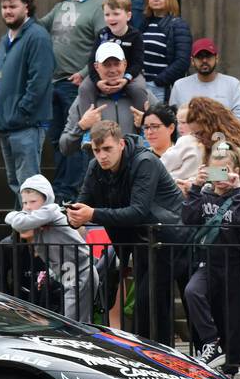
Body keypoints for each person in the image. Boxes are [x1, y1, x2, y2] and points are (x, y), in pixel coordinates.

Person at [65, 119, 184, 340]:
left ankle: (164, 363)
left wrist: (92, 214)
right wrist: (73, 215)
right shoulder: (96, 167)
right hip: (138, 242)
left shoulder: (144, 161)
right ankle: (153, 361)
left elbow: (138, 211)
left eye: (107, 149)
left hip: (168, 238)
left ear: (121, 144)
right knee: (146, 308)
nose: (102, 156)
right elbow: (83, 202)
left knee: (151, 306)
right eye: (96, 150)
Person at [182, 141, 240, 377]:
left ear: (235, 171)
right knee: (193, 292)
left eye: (225, 171)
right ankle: (211, 343)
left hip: (234, 265)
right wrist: (195, 187)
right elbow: (189, 218)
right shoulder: (204, 195)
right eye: (215, 172)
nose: (220, 178)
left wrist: (236, 190)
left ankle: (233, 365)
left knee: (232, 317)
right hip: (208, 262)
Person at [41, 0, 108, 199]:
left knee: (75, 137)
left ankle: (73, 191)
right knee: (57, 139)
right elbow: (38, 27)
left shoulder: (98, 7)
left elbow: (104, 43)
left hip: (76, 84)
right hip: (53, 83)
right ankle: (60, 189)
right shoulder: (61, 6)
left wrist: (83, 73)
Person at [0, 173, 96, 322]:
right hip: (68, 273)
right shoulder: (38, 218)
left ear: (46, 200)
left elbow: (19, 223)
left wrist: (12, 215)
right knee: (75, 321)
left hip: (81, 271)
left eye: (33, 201)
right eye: (24, 203)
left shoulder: (50, 210)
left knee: (75, 322)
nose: (28, 207)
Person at [0, 0, 53, 197]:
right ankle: (20, 231)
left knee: (30, 186)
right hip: (6, 125)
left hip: (27, 125)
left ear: (26, 7)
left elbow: (39, 81)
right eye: (4, 7)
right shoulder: (4, 40)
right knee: (16, 185)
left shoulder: (37, 36)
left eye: (13, 6)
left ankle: (33, 231)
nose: (7, 11)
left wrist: (22, 112)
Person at [59, 42, 149, 157]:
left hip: (136, 169)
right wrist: (81, 126)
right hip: (99, 171)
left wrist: (146, 125)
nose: (112, 70)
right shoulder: (84, 99)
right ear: (96, 67)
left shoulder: (143, 95)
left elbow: (169, 135)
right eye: (107, 65)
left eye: (117, 64)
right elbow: (65, 147)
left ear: (125, 64)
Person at [181, 96, 240, 199]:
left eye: (201, 133)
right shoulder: (214, 147)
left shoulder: (231, 150)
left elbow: (223, 187)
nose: (200, 139)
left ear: (212, 126)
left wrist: (194, 187)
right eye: (196, 135)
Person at [169, 39, 240, 126]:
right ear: (192, 61)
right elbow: (173, 120)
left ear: (217, 58)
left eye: (208, 56)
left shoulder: (233, 84)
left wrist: (219, 130)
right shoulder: (180, 86)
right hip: (189, 138)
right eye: (199, 57)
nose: (204, 60)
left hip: (224, 137)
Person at [137, 0, 191, 105]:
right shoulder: (144, 24)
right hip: (141, 86)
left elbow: (183, 61)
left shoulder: (178, 25)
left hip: (162, 88)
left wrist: (158, 81)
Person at [141, 103, 201, 182]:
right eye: (146, 127)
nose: (149, 132)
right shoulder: (140, 158)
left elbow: (219, 175)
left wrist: (194, 184)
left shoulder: (203, 145)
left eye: (155, 126)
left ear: (171, 128)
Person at [93, 0, 143, 81]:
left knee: (137, 89)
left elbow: (137, 63)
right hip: (104, 74)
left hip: (129, 75)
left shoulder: (136, 35)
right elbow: (92, 60)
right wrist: (97, 81)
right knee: (85, 88)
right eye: (107, 15)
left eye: (116, 14)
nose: (111, 18)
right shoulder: (102, 34)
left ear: (128, 16)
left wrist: (126, 78)